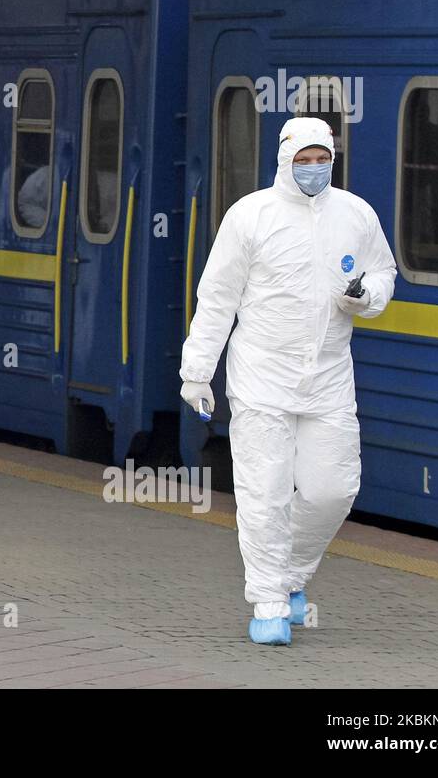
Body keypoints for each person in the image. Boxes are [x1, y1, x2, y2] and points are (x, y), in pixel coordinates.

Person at [179, 116, 396, 646]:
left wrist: (367, 296)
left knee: (333, 490)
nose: (315, 168)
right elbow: (218, 298)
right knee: (265, 494)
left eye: (323, 159)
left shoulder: (356, 214)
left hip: (329, 379)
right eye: (304, 160)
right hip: (261, 379)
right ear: (285, 161)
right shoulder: (250, 216)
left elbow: (383, 272)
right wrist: (197, 372)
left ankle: (290, 575)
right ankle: (270, 604)